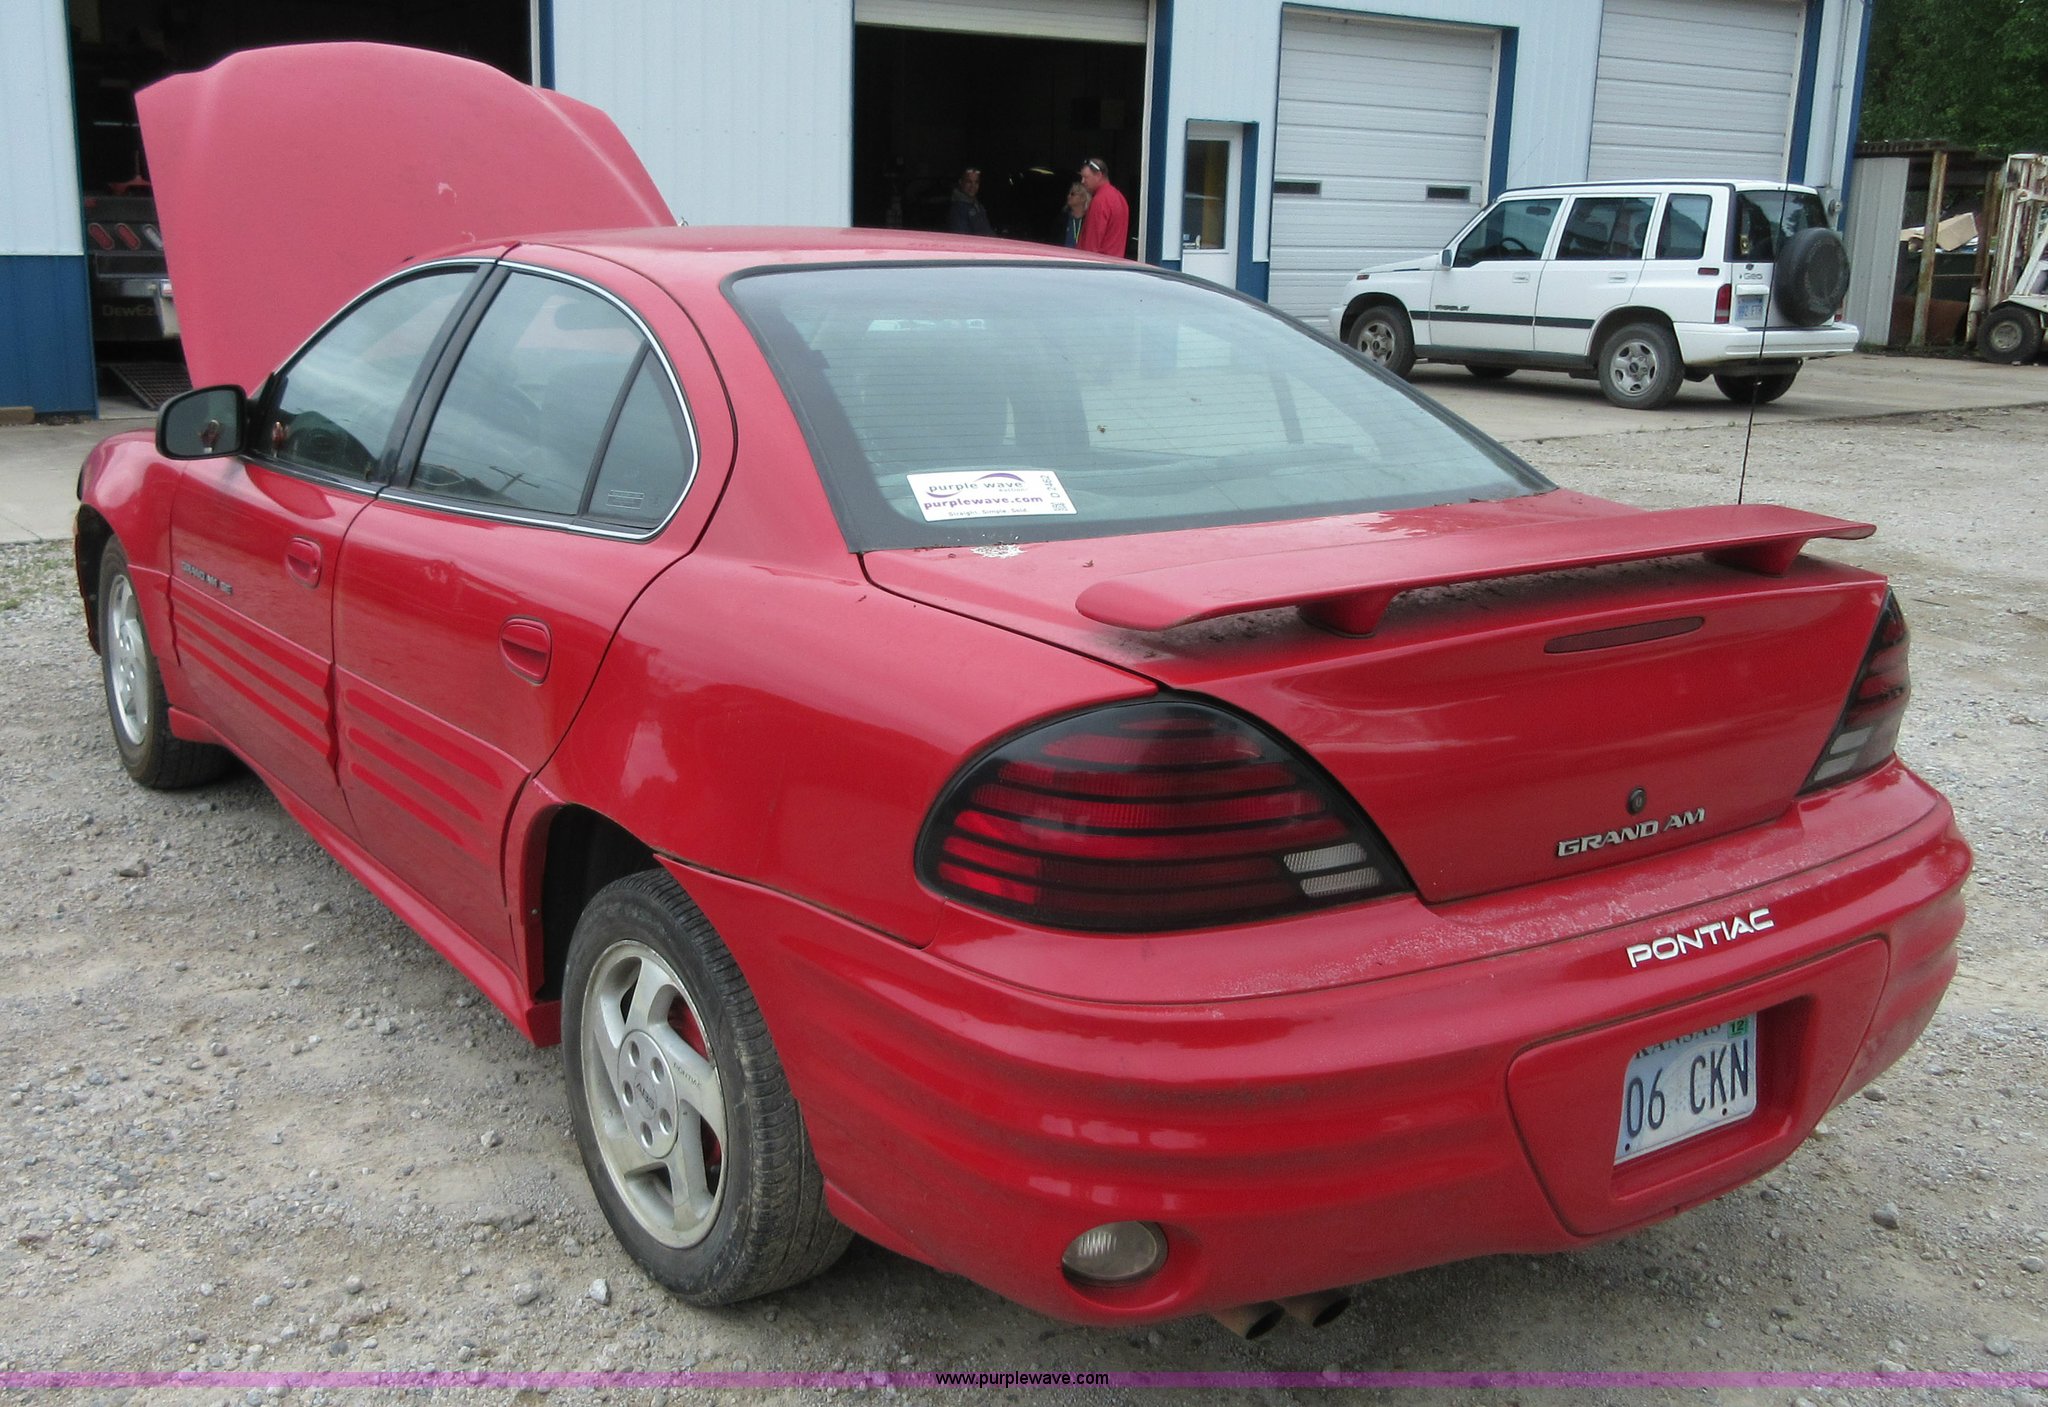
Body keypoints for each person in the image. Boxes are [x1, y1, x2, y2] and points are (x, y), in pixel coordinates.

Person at [1076, 156, 1128, 259]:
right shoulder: (1120, 198)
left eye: (1086, 177)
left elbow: (1091, 244)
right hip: (1115, 264)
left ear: (1099, 175)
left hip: (1097, 265)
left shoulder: (1100, 201)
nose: (1082, 181)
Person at [947, 167, 993, 237]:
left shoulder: (978, 206)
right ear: (961, 182)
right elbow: (962, 239)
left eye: (976, 182)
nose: (973, 186)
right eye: (969, 182)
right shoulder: (958, 208)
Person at [1061, 181, 1090, 247]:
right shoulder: (1063, 218)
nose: (1068, 196)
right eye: (1069, 193)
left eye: (1072, 194)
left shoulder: (1089, 220)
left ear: (1083, 198)